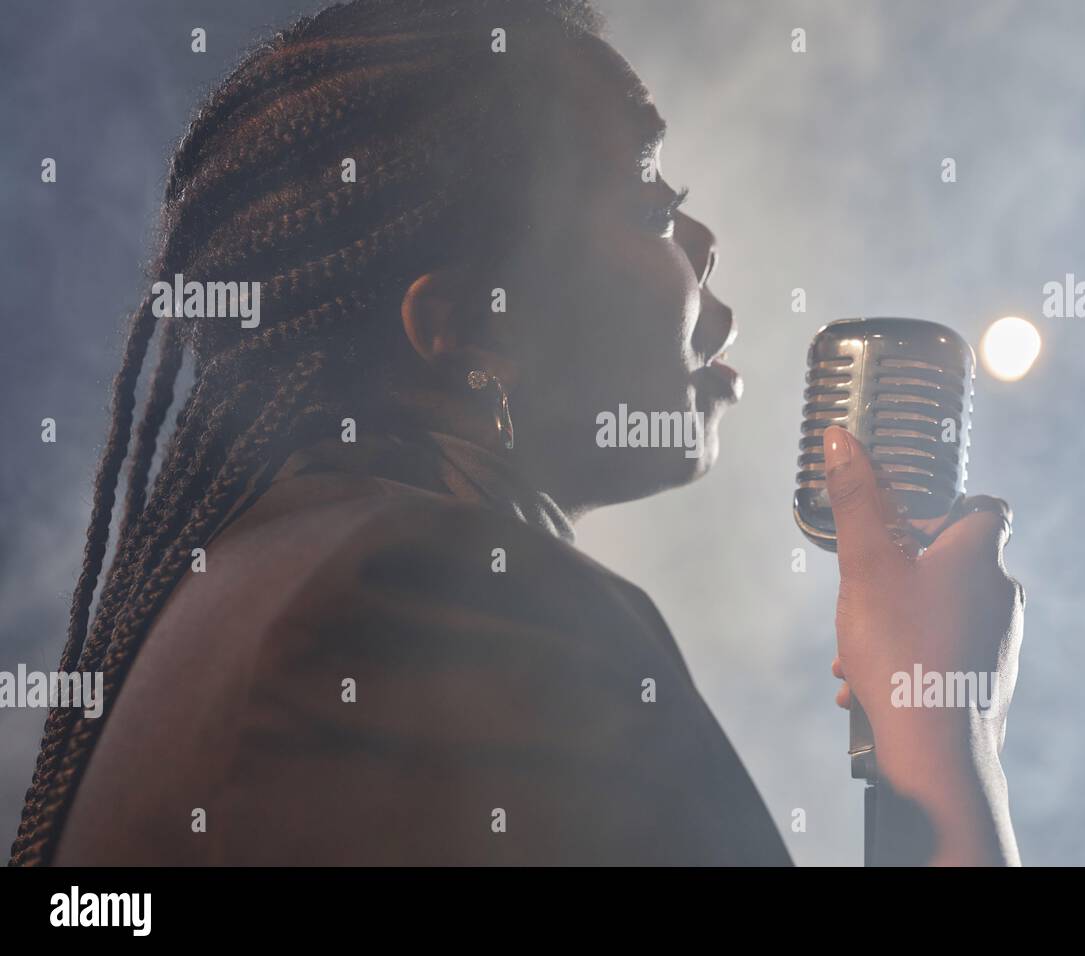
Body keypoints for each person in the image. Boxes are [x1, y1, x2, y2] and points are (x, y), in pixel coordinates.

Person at [11, 0, 1023, 866]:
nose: (704, 242)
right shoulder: (436, 595)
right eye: (649, 203)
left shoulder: (251, 580)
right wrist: (940, 728)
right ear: (469, 332)